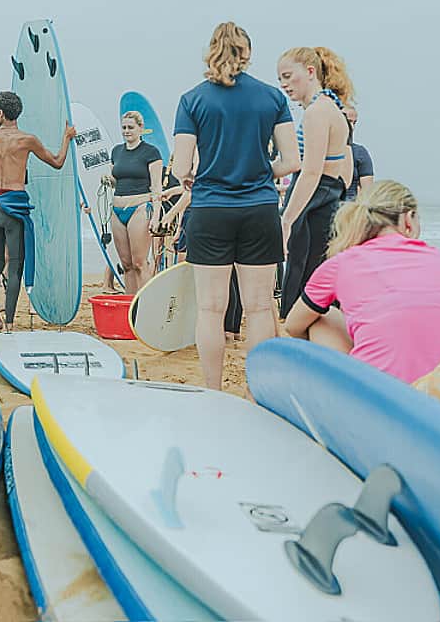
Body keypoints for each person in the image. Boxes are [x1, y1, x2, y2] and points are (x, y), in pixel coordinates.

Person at [170, 22, 300, 390]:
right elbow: (291, 161)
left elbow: (180, 167)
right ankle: (256, 391)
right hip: (259, 208)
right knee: (259, 307)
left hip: (210, 209)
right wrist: (261, 170)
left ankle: (213, 392)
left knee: (211, 309)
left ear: (211, 50)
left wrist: (195, 176)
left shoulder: (192, 100)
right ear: (247, 53)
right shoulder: (272, 97)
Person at [283, 180, 440, 383]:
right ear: (409, 219)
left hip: (380, 393)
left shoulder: (341, 264)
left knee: (322, 316)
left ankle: (336, 382)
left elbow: (293, 325)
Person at [0, 90, 76, 332]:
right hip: (15, 208)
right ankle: (10, 323)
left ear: (1, 113)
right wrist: (66, 138)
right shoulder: (27, 140)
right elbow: (57, 162)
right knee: (15, 267)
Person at [277, 46, 356, 319]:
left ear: (310, 72)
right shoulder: (332, 107)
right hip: (328, 193)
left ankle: (292, 329)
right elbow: (345, 168)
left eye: (288, 76)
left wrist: (287, 219)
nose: (284, 84)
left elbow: (310, 171)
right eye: (280, 80)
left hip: (312, 193)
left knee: (299, 273)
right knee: (317, 275)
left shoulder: (316, 112)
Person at [109, 111, 163, 294]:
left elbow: (156, 187)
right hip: (117, 209)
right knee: (126, 264)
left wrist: (156, 215)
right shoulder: (116, 151)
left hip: (140, 207)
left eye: (130, 127)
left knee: (140, 262)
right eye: (123, 127)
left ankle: (146, 307)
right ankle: (130, 307)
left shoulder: (151, 152)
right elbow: (117, 178)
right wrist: (108, 180)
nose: (126, 131)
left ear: (141, 129)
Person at [343, 104, 374, 201]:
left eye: (354, 122)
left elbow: (367, 192)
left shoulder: (360, 153)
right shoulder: (320, 150)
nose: (352, 127)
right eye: (349, 121)